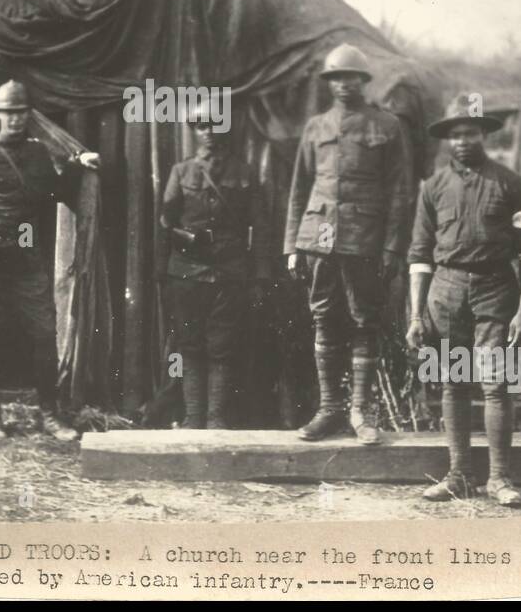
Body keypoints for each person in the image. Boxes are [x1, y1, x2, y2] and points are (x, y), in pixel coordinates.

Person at [406, 93, 521, 508]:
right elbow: (419, 254)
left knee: (497, 384)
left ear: (483, 133)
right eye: (455, 134)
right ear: (447, 138)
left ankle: (499, 478)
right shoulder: (432, 188)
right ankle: (459, 474)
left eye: (470, 132)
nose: (463, 140)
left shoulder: (511, 184)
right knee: (452, 383)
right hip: (445, 294)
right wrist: (416, 314)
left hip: (495, 291)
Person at [0, 79, 100, 442]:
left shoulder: (38, 154)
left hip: (28, 262)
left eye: (20, 113)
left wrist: (78, 163)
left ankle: (50, 415)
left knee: (44, 336)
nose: (14, 120)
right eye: (8, 113)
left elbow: (58, 192)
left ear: (28, 115)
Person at [283, 44, 418, 444]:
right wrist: (293, 245)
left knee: (365, 321)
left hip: (365, 241)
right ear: (329, 83)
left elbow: (401, 194)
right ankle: (329, 410)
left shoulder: (387, 126)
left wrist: (393, 249)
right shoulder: (316, 127)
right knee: (324, 319)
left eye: (351, 77)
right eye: (336, 77)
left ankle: (361, 411)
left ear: (363, 80)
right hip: (319, 238)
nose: (344, 84)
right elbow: (299, 190)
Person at [160, 99, 272, 429]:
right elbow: (165, 222)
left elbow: (261, 226)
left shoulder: (243, 172)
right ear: (193, 131)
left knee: (222, 347)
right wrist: (175, 256)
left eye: (213, 124)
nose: (208, 132)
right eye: (201, 126)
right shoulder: (181, 172)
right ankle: (194, 418)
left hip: (229, 272)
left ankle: (216, 421)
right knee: (190, 345)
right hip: (187, 273)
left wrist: (262, 274)